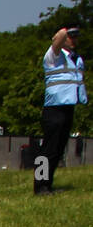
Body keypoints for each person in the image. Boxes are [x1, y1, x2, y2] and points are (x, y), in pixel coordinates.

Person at [35, 26, 86, 196]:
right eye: (70, 37)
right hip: (53, 109)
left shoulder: (75, 59)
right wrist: (65, 31)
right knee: (47, 150)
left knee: (58, 150)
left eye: (75, 37)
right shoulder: (53, 55)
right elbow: (57, 39)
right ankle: (40, 186)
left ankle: (48, 185)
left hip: (68, 107)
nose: (74, 39)